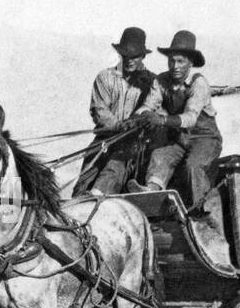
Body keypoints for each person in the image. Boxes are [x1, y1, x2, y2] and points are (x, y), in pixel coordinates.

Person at [135, 30, 223, 216]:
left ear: (190, 63)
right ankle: (151, 192)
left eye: (181, 61)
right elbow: (147, 105)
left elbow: (190, 118)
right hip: (181, 140)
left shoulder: (198, 83)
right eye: (171, 60)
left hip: (206, 139)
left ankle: (201, 211)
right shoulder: (161, 81)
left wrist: (162, 119)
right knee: (159, 155)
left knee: (193, 166)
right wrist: (138, 117)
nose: (175, 66)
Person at [78, 26, 162, 194]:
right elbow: (99, 111)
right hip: (104, 142)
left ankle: (98, 194)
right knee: (82, 183)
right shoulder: (105, 77)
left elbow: (155, 109)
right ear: (120, 54)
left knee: (115, 168)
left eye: (135, 56)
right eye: (125, 55)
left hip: (134, 145)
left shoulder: (154, 82)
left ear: (143, 56)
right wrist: (119, 126)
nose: (129, 60)